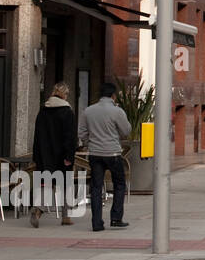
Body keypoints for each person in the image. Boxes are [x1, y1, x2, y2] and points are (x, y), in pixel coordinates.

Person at [78, 82, 131, 231]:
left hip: (94, 154)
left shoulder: (88, 111)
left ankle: (96, 223)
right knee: (119, 184)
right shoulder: (117, 111)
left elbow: (81, 132)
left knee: (95, 187)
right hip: (113, 153)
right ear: (113, 95)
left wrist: (90, 142)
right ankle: (116, 218)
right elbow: (126, 130)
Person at [31, 82, 77, 227]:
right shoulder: (67, 112)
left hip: (44, 156)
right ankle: (66, 216)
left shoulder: (43, 111)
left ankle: (38, 209)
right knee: (66, 185)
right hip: (62, 156)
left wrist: (36, 157)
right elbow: (70, 137)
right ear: (64, 94)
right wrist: (70, 156)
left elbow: (37, 136)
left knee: (46, 184)